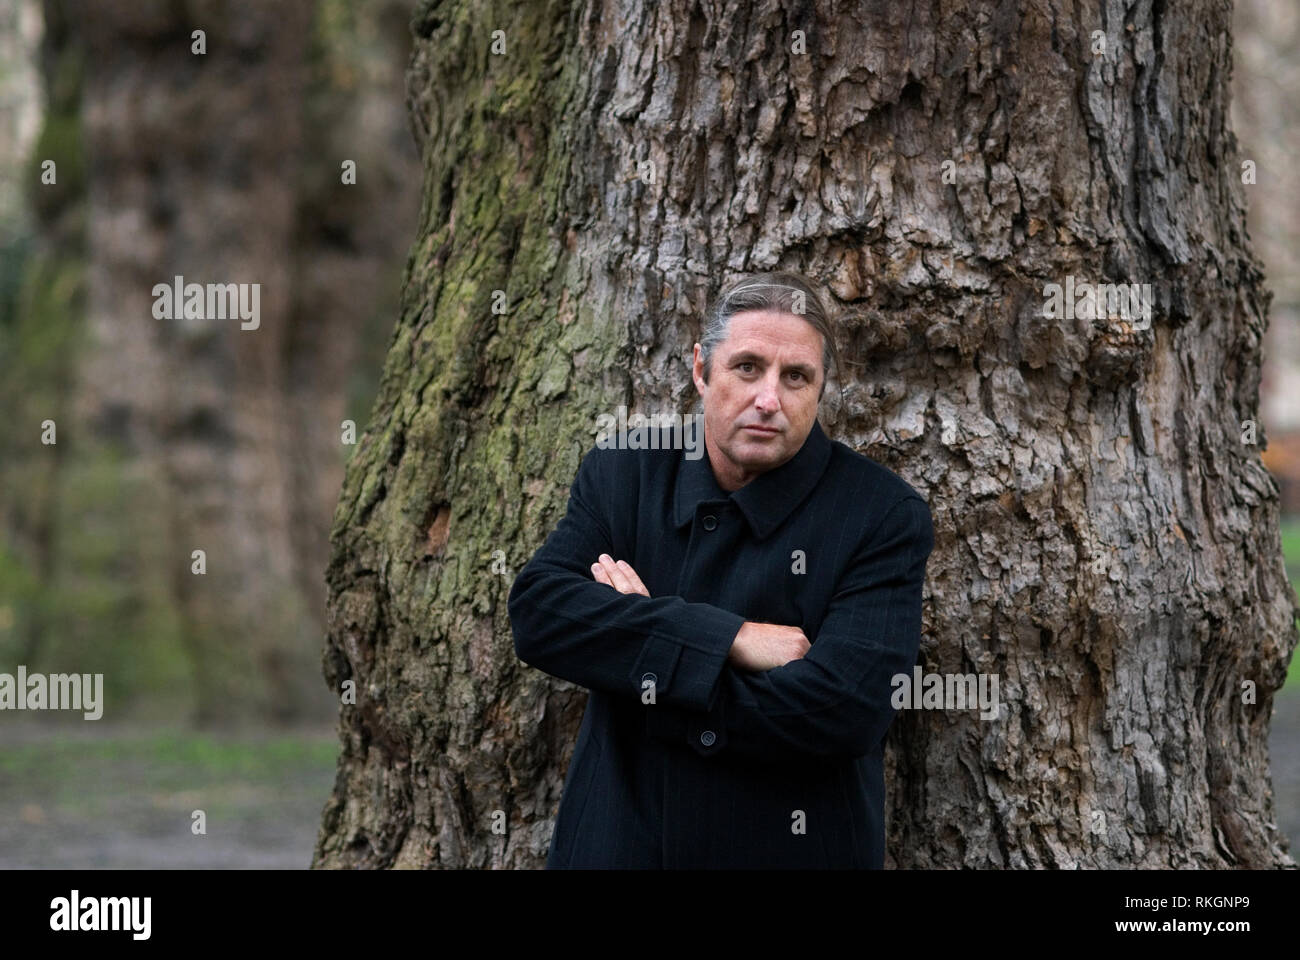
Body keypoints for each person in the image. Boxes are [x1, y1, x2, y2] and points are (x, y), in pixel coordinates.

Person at [508, 271, 934, 868]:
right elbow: (540, 615)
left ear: (820, 390)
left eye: (796, 377)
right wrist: (731, 639)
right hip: (620, 846)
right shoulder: (626, 473)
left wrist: (637, 654)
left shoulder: (880, 516)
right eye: (747, 367)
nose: (769, 399)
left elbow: (843, 710)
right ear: (701, 371)